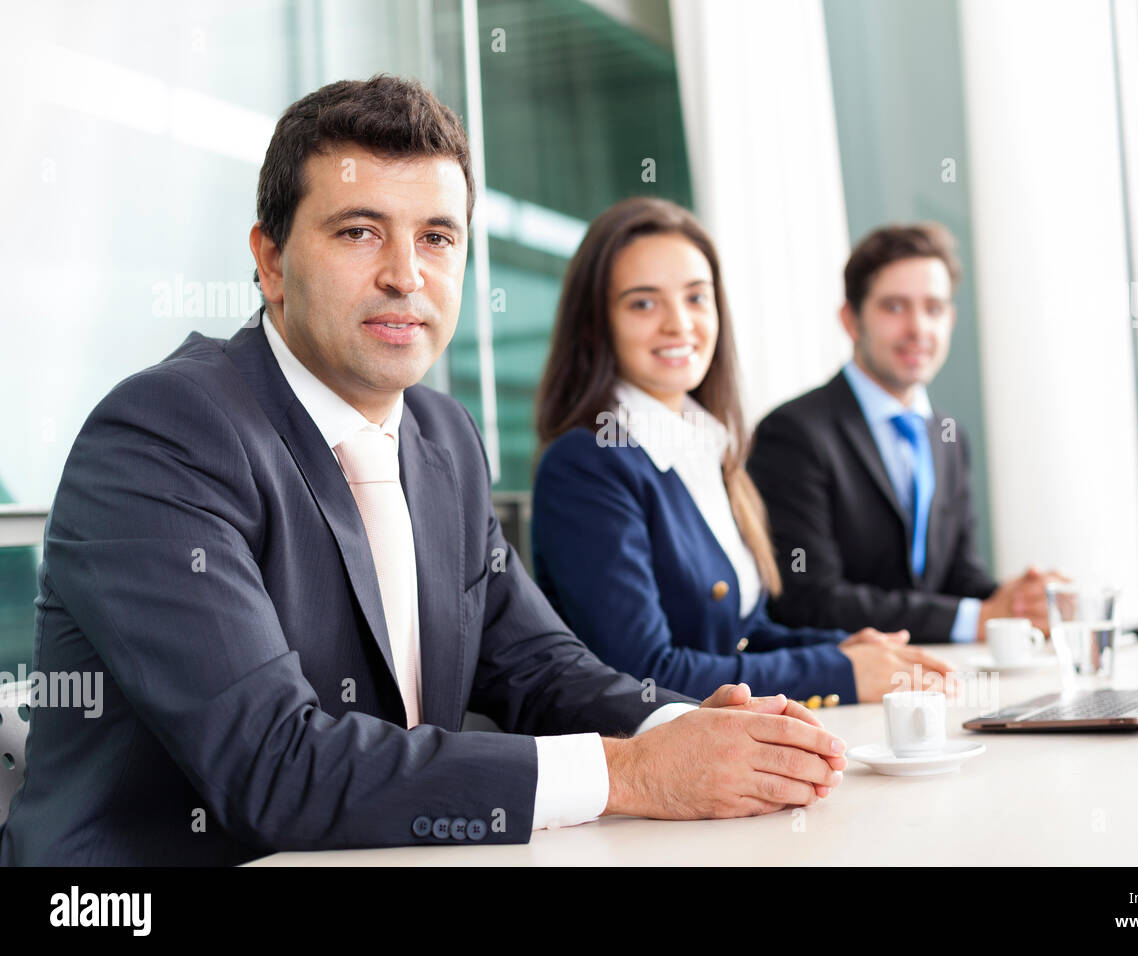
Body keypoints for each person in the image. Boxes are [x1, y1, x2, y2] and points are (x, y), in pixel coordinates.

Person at [0, 77, 849, 867]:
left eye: (437, 238)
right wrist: (631, 771)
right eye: (359, 231)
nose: (405, 275)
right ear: (270, 260)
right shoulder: (164, 434)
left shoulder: (443, 434)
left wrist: (695, 729)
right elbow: (274, 766)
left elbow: (538, 666)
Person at [530, 198, 955, 706]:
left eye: (695, 298)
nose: (679, 325)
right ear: (595, 324)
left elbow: (743, 636)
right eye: (643, 303)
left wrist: (846, 648)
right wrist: (837, 670)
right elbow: (643, 671)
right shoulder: (589, 464)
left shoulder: (707, 444)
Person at [748, 222, 1065, 643]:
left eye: (933, 308)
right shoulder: (792, 433)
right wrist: (977, 617)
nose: (918, 328)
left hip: (937, 677)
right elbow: (808, 599)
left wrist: (1018, 604)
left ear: (950, 319)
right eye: (894, 307)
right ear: (851, 320)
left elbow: (957, 579)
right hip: (843, 691)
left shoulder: (948, 436)